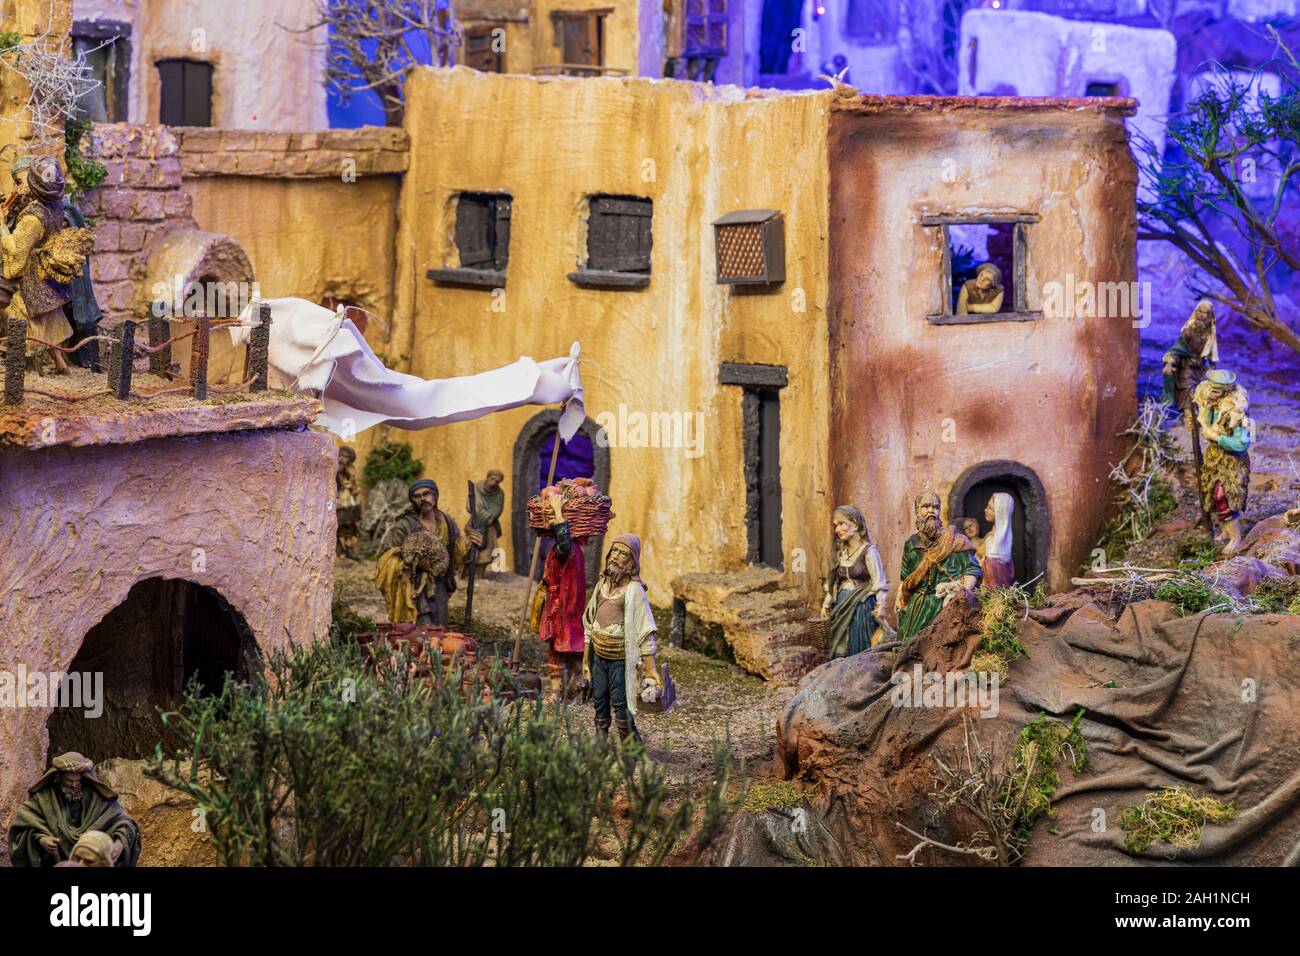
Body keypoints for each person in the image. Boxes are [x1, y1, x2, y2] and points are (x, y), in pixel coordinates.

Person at [0, 158, 92, 374]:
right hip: (48, 278)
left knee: (19, 317)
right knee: (49, 319)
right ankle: (60, 365)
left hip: (34, 278)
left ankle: (32, 370)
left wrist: (2, 227)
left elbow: (16, 253)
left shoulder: (33, 219)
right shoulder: (55, 205)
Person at [581, 533, 660, 742]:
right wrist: (585, 661)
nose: (616, 556)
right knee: (599, 701)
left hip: (620, 660)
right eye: (614, 551)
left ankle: (632, 750)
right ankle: (600, 747)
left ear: (632, 561)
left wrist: (651, 670)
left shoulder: (634, 592)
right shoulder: (602, 586)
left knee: (621, 704)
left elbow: (645, 632)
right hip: (598, 657)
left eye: (623, 553)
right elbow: (589, 623)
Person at [374, 478, 480, 625]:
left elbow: (458, 550)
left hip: (439, 585)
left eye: (427, 494)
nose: (423, 499)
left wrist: (471, 542)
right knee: (417, 630)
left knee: (439, 628)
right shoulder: (405, 524)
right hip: (412, 587)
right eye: (417, 496)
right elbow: (387, 555)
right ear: (412, 500)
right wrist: (411, 560)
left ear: (435, 496)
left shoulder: (446, 522)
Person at [8, 752, 141, 867]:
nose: (74, 785)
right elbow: (23, 825)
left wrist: (119, 843)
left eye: (77, 781)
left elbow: (126, 824)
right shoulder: (42, 799)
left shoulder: (96, 797)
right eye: (69, 781)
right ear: (58, 779)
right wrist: (41, 838)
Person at [895, 491, 981, 642]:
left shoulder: (956, 541)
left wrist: (963, 592)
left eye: (935, 507)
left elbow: (972, 570)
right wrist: (899, 598)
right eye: (925, 506)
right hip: (918, 607)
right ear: (917, 511)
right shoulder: (911, 543)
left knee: (942, 649)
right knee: (913, 650)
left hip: (946, 606)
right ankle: (915, 667)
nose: (931, 511)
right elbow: (905, 577)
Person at [1194, 369, 1253, 554]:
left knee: (1224, 495)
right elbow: (1202, 419)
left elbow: (1242, 443)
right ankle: (1224, 531)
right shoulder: (1209, 402)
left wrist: (1219, 439)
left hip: (1231, 461)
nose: (1211, 393)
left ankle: (1236, 536)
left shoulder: (1235, 410)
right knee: (1212, 494)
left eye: (1216, 390)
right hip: (1214, 457)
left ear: (1226, 391)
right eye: (1211, 388)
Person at [821, 505, 889, 657]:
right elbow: (833, 583)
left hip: (861, 607)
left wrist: (881, 606)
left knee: (858, 646)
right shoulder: (840, 553)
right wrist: (826, 604)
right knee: (840, 646)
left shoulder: (869, 552)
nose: (838, 530)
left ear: (856, 525)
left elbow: (879, 583)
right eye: (836, 525)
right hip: (841, 606)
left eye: (842, 523)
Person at [539, 493, 588, 701]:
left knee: (558, 646)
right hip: (566, 603)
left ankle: (556, 691)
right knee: (570, 646)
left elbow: (564, 541)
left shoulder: (568, 548)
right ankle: (578, 682)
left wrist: (558, 509)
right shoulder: (574, 549)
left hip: (561, 604)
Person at [1162, 300, 1218, 429]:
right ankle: (1188, 417)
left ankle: (1203, 418)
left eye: (1205, 313)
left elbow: (1211, 355)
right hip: (1186, 367)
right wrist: (1170, 361)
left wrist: (1213, 369)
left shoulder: (1209, 336)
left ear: (1210, 317)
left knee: (1208, 390)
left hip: (1200, 368)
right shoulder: (1188, 332)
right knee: (1189, 390)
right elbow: (1177, 348)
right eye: (1200, 312)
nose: (1202, 316)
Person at [470, 469, 506, 576]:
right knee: (471, 549)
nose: (494, 482)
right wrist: (477, 511)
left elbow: (497, 509)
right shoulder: (477, 487)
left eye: (497, 481)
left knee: (486, 552)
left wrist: (489, 516)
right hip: (476, 523)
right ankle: (470, 573)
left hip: (490, 525)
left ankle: (480, 575)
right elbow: (472, 503)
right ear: (488, 477)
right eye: (492, 479)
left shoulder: (499, 493)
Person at [980, 493, 1016, 590]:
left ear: (1000, 513)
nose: (985, 510)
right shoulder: (989, 536)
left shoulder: (998, 547)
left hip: (992, 595)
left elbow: (995, 582)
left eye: (990, 508)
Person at [335, 446, 361, 559]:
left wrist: (351, 480)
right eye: (341, 456)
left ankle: (348, 549)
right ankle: (337, 550)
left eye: (347, 458)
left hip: (346, 508)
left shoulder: (347, 474)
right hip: (333, 506)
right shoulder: (330, 471)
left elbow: (355, 491)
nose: (343, 460)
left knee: (348, 526)